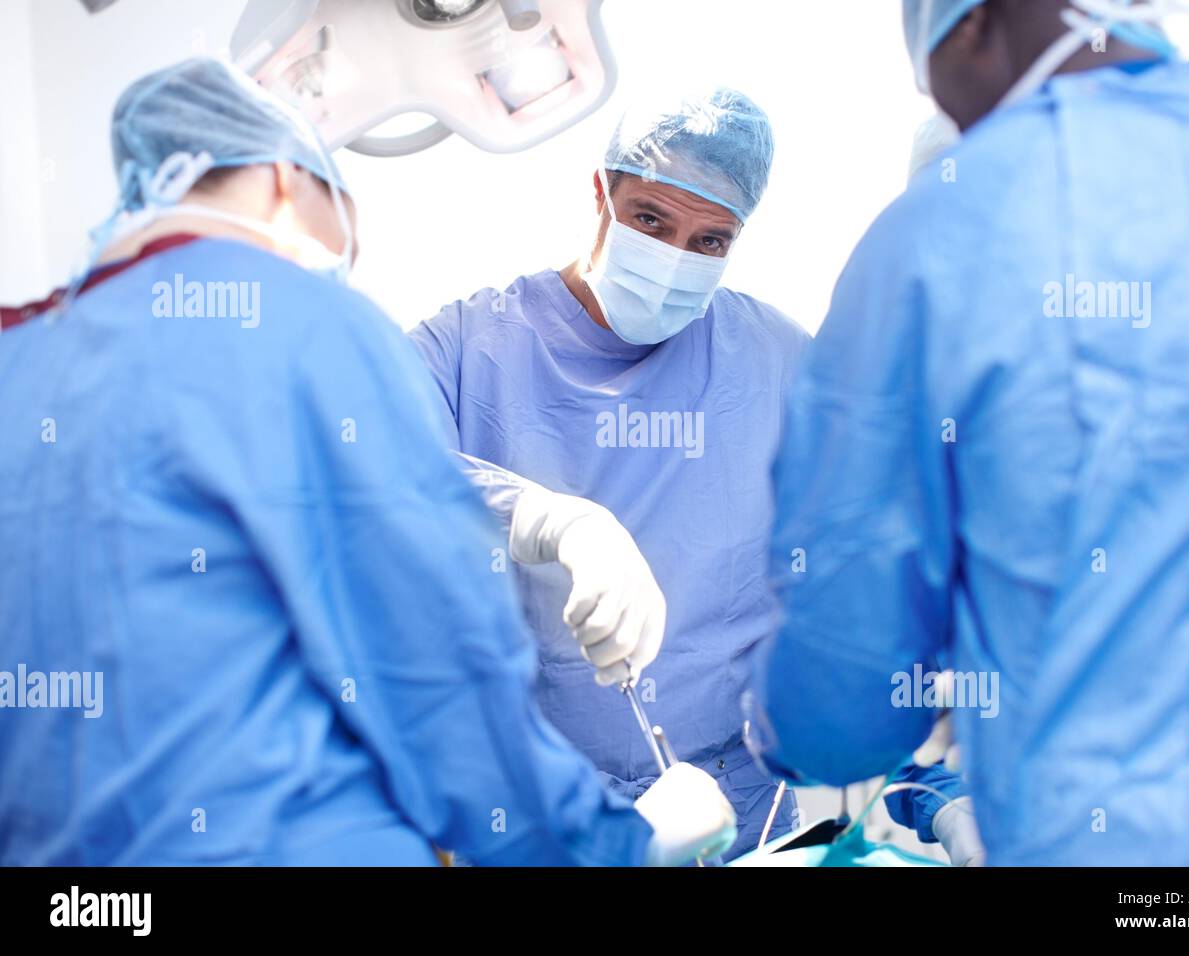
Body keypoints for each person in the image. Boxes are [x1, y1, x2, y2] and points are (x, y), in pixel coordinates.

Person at [0, 56, 737, 867]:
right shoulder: (304, 325)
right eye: (336, 210)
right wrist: (618, 843)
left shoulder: (21, 353)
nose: (342, 251)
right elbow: (439, 678)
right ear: (285, 181)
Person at [748, 0, 1189, 865]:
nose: (954, 121)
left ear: (968, 25)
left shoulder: (933, 241)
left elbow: (841, 706)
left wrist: (778, 726)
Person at [409, 88, 812, 858]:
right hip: (541, 806)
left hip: (739, 808)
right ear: (600, 193)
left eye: (709, 242)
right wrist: (547, 519)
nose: (673, 261)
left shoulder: (780, 362)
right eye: (652, 221)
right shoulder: (472, 343)